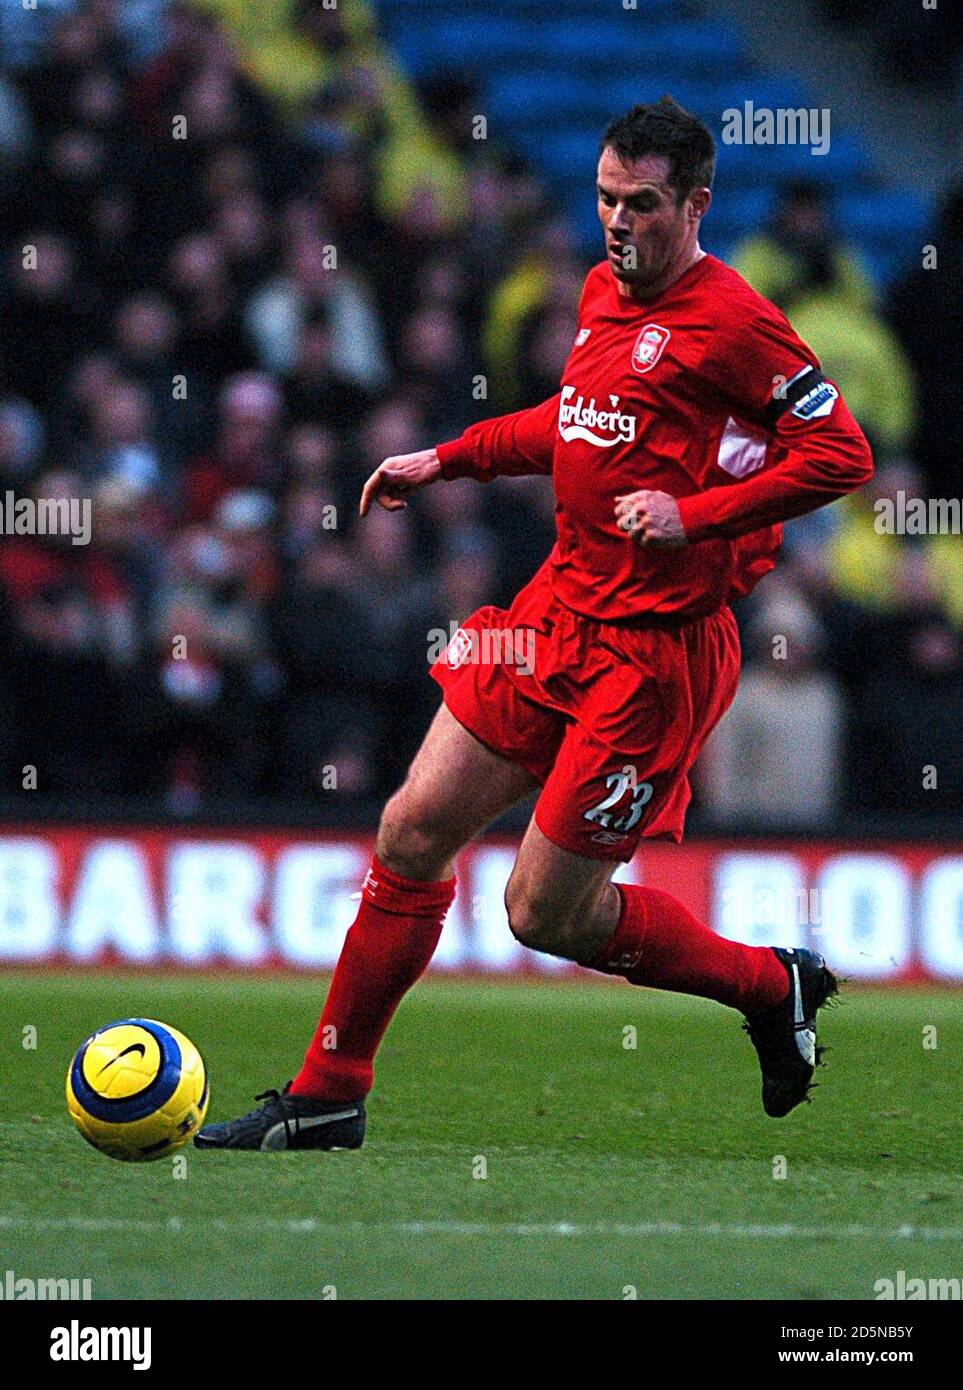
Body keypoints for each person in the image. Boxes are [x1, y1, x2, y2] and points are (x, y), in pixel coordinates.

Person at [195, 97, 873, 1154]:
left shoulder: (735, 323)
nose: (615, 222)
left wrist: (693, 514)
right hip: (554, 611)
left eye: (641, 204)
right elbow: (578, 424)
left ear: (695, 205)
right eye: (604, 198)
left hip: (652, 658)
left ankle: (765, 982)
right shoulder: (604, 290)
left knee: (540, 914)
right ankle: (329, 1089)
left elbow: (843, 457)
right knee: (411, 830)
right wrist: (450, 455)